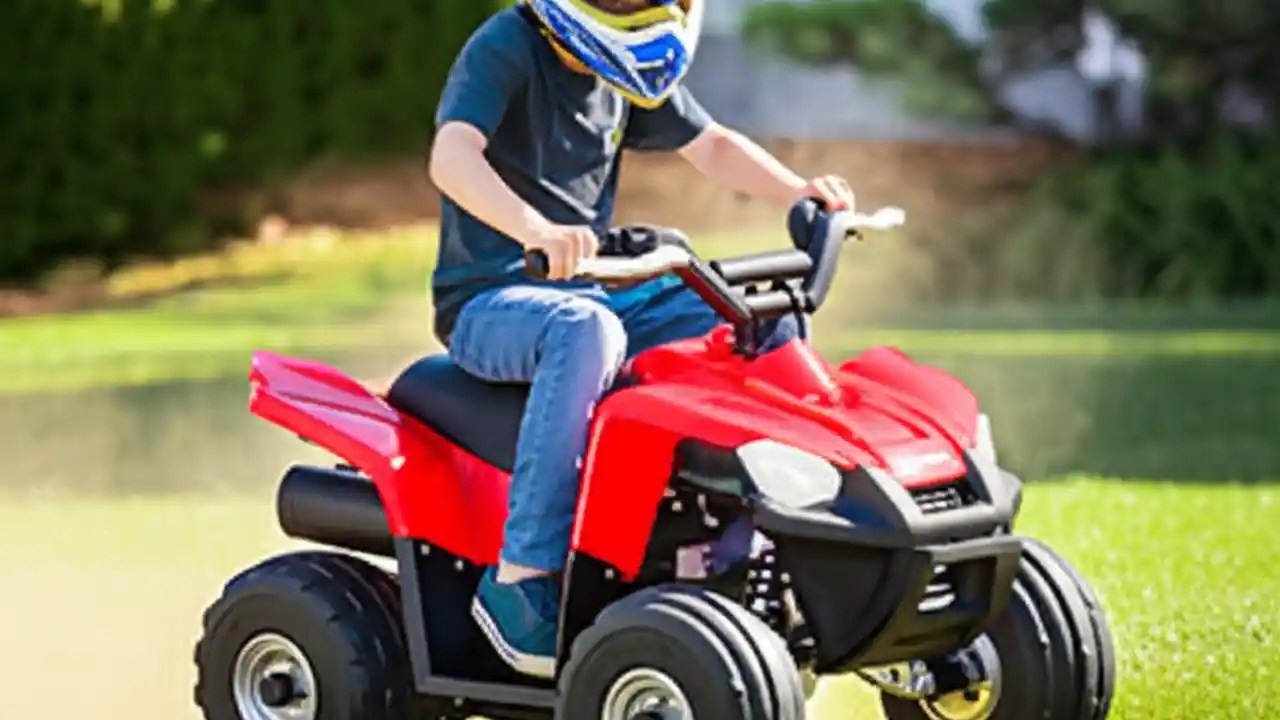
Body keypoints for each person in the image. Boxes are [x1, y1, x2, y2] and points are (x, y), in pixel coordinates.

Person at [427, 0, 857, 678]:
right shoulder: (508, 45)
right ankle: (520, 579)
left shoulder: (625, 66)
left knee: (752, 317)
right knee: (586, 331)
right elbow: (452, 155)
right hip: (492, 299)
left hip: (591, 284)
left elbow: (710, 144)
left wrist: (797, 191)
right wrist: (533, 228)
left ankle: (759, 535)